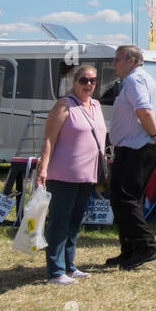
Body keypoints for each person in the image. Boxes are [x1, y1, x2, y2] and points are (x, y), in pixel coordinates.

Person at [36, 64, 106, 285]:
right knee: (59, 221)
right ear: (74, 82)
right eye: (83, 80)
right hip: (64, 174)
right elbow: (49, 139)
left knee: (75, 221)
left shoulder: (95, 105)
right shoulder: (64, 105)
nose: (88, 84)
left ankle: (69, 265)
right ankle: (55, 271)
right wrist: (43, 168)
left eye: (92, 81)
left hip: (88, 174)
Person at [107, 44, 156, 270]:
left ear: (131, 60)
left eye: (117, 59)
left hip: (137, 146)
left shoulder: (134, 81)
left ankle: (145, 246)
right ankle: (130, 248)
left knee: (124, 198)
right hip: (136, 145)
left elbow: (143, 111)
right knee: (127, 199)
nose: (114, 64)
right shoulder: (142, 79)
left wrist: (153, 135)